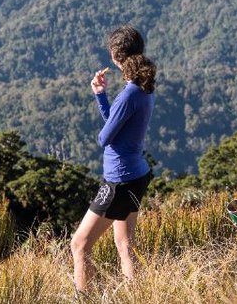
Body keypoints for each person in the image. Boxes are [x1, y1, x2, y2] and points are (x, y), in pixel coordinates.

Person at [70, 25, 157, 292]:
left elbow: (104, 137)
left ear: (116, 57)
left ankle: (83, 298)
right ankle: (138, 296)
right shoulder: (144, 88)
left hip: (118, 181)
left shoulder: (129, 94)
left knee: (79, 244)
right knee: (125, 246)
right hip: (137, 176)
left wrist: (101, 98)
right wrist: (101, 95)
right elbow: (116, 125)